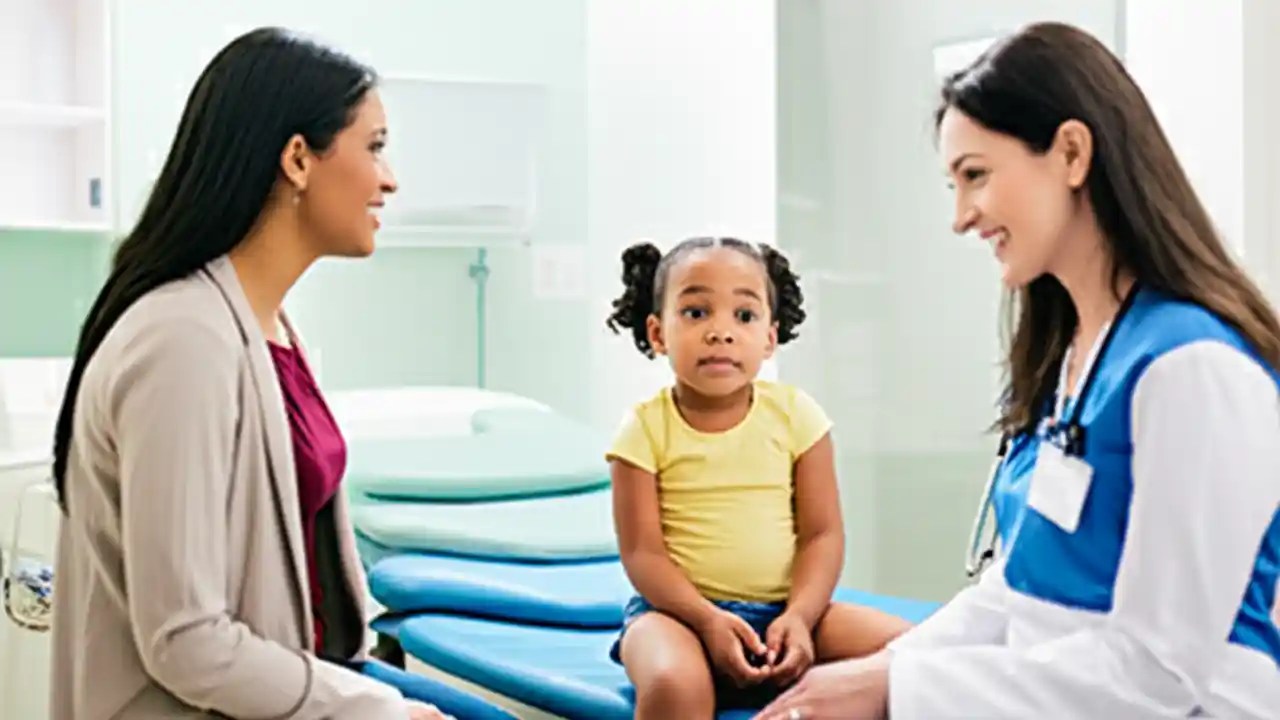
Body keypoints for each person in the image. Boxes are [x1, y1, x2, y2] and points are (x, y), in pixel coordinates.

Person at [756, 21, 1280, 720]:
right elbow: (1017, 593)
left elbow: (1157, 671)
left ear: (1070, 152)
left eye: (975, 175)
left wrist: (897, 689)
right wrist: (883, 673)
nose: (960, 217)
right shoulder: (1074, 361)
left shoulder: (1195, 370)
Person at [47, 28, 451, 719]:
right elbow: (185, 639)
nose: (390, 179)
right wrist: (374, 709)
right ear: (298, 158)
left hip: (298, 675)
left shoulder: (266, 326)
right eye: (375, 146)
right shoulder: (183, 338)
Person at [604, 237, 913, 719]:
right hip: (675, 617)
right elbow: (644, 553)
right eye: (696, 312)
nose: (720, 332)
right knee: (674, 683)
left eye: (743, 317)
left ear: (769, 337)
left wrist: (800, 618)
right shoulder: (643, 429)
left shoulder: (797, 417)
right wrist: (707, 620)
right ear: (658, 332)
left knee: (909, 658)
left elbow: (822, 534)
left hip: (785, 614)